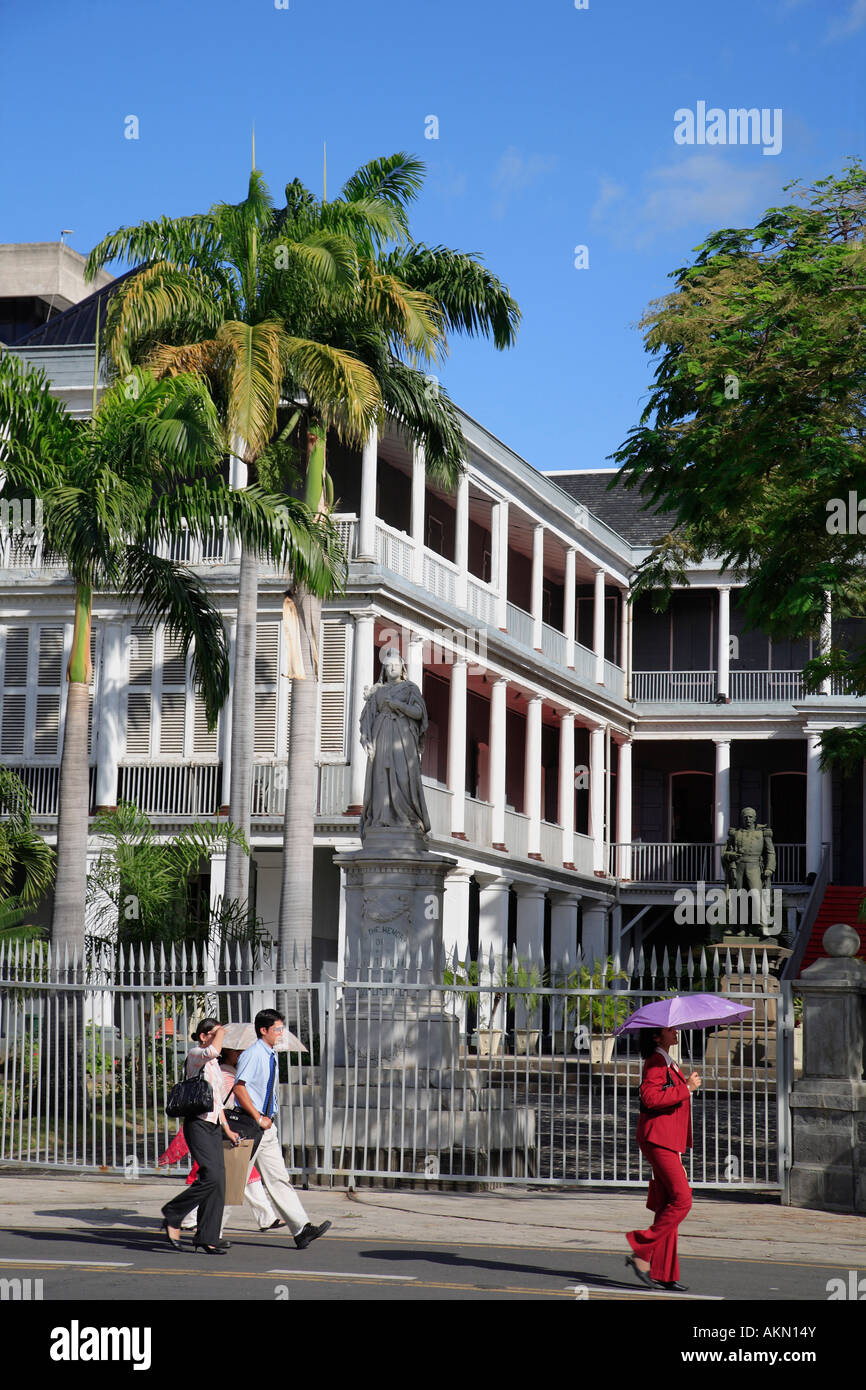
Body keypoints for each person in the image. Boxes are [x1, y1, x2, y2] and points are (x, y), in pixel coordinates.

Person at [232, 1009, 331, 1249]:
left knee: (278, 1178)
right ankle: (206, 1228)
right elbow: (239, 1088)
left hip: (266, 1127)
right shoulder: (254, 1054)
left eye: (281, 1028)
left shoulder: (271, 1054)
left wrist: (267, 1118)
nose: (281, 1033)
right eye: (277, 1029)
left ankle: (301, 1228)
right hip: (249, 1125)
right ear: (263, 1030)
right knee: (232, 1183)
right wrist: (258, 1117)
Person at [625, 1025, 701, 1291]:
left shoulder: (667, 1061)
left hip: (668, 1140)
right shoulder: (656, 1061)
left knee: (667, 1203)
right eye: (670, 1030)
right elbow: (650, 1097)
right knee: (682, 1199)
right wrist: (687, 1088)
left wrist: (686, 1084)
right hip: (658, 1139)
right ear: (657, 1037)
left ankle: (664, 1272)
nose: (676, 1032)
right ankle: (642, 1251)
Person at [179, 1042, 283, 1235]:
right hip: (225, 1128)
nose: (242, 1054)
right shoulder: (225, 1074)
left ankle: (266, 1217)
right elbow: (226, 1103)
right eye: (239, 1052)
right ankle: (190, 1218)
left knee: (245, 1176)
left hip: (228, 1128)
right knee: (217, 1178)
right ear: (230, 1054)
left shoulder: (226, 1072)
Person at [161, 1018, 240, 1256]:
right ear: (204, 1036)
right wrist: (221, 1032)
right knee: (211, 1175)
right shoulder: (197, 1054)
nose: (221, 1038)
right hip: (198, 1124)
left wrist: (227, 1129)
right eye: (215, 1033)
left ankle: (208, 1237)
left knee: (219, 1182)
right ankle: (173, 1214)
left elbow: (216, 1101)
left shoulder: (214, 1064)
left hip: (214, 1125)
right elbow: (214, 1049)